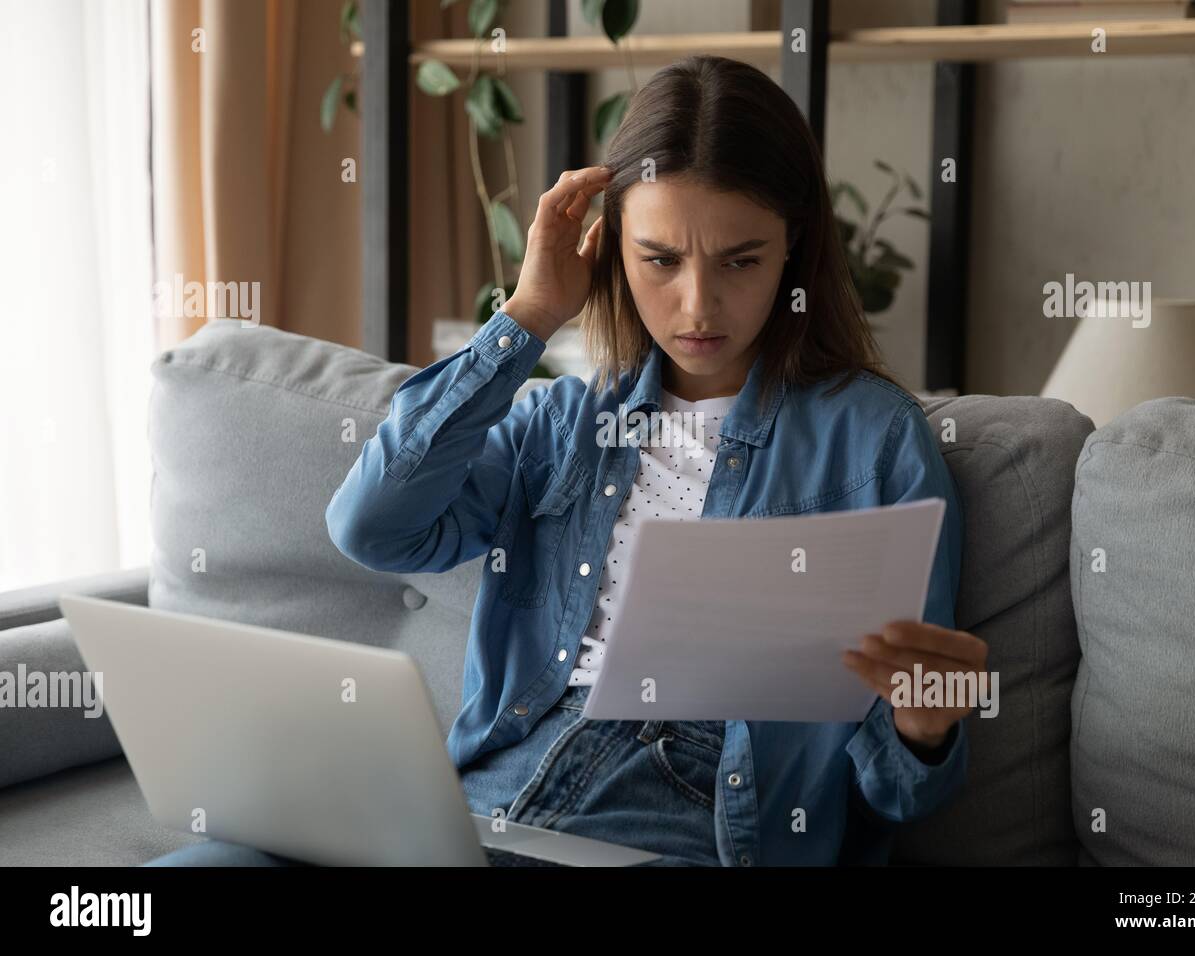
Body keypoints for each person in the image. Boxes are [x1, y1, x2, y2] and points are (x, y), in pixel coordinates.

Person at [146, 54, 988, 868]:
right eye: (660, 259)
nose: (699, 305)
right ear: (611, 247)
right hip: (487, 801)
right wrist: (528, 317)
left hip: (690, 820)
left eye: (741, 260)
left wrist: (924, 723)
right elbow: (372, 526)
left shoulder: (875, 441)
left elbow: (899, 794)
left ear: (794, 252)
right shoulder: (559, 423)